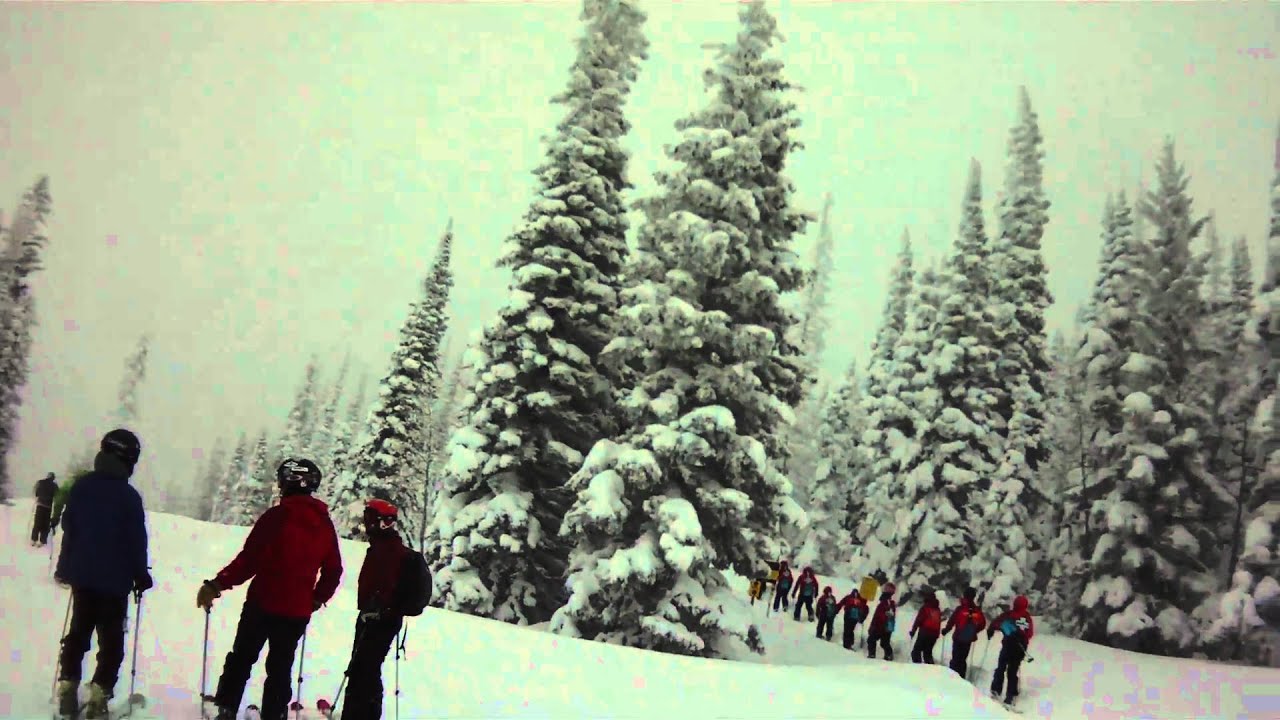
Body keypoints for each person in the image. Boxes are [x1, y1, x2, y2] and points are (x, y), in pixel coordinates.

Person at [197, 459, 343, 720]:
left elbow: (249, 560)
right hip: (296, 612)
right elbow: (333, 571)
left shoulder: (277, 516)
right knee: (280, 667)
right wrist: (315, 600)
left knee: (242, 659)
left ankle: (226, 708)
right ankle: (274, 715)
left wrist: (216, 585)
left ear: (289, 482)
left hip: (262, 603)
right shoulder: (324, 523)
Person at [53, 430, 153, 719]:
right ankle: (98, 698)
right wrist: (140, 575)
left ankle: (68, 689)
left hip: (82, 578)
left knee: (78, 632)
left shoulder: (82, 487)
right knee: (111, 642)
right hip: (114, 584)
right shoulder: (129, 497)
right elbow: (136, 541)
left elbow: (70, 527)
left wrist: (66, 567)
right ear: (128, 459)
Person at [340, 499, 412, 720]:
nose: (366, 523)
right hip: (378, 617)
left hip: (379, 619)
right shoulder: (382, 546)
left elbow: (387, 585)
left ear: (384, 522)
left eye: (370, 518)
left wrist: (379, 606)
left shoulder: (389, 550)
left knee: (364, 669)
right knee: (366, 668)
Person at [986, 595, 1035, 705]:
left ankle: (996, 690)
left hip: (1009, 646)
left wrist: (991, 629)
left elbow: (997, 622)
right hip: (1019, 648)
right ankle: (1011, 695)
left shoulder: (1009, 615)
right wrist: (1022, 636)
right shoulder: (1027, 618)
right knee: (1012, 671)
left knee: (1001, 668)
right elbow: (1030, 633)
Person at [941, 587, 986, 679]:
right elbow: (982, 624)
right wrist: (974, 631)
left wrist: (946, 630)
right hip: (968, 639)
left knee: (955, 659)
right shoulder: (977, 611)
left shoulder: (960, 609)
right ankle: (961, 679)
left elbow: (952, 621)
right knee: (962, 659)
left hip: (958, 637)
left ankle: (952, 678)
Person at [909, 590, 943, 664]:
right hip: (934, 635)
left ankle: (917, 668)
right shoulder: (937, 609)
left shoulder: (925, 608)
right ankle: (930, 668)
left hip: (924, 632)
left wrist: (913, 631)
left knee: (916, 652)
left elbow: (918, 620)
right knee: (927, 653)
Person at [866, 581, 898, 660]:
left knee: (871, 639)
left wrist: (873, 626)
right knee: (884, 642)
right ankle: (889, 655)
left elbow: (877, 616)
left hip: (880, 626)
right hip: (888, 626)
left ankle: (872, 654)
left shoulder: (884, 603)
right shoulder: (891, 603)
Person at [32, 472, 58, 546]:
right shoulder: (54, 485)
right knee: (45, 524)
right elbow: (57, 495)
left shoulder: (40, 482)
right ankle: (42, 540)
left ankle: (34, 539)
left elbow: (36, 492)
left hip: (40, 505)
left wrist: (39, 496)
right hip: (48, 507)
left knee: (37, 522)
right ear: (53, 478)